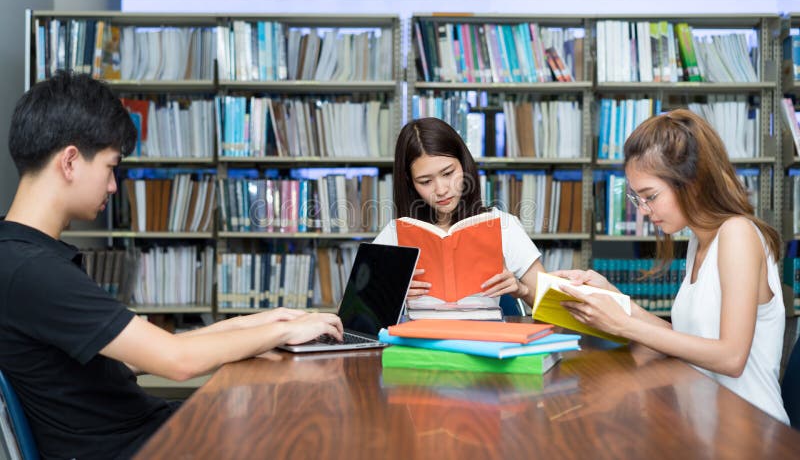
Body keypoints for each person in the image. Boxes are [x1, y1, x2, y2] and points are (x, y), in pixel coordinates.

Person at [0, 71, 343, 459]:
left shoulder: (21, 256)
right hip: (144, 447)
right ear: (70, 162)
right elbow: (178, 363)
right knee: (309, 426)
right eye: (111, 167)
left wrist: (263, 323)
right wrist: (281, 334)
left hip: (148, 432)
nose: (113, 186)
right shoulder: (33, 271)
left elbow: (138, 354)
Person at [552, 109, 789, 424]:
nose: (645, 211)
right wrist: (615, 300)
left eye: (650, 196)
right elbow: (691, 340)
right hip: (710, 421)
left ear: (691, 182)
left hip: (753, 429)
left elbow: (731, 357)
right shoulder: (699, 241)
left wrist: (623, 325)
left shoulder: (738, 234)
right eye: (639, 199)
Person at [373, 117, 544, 307]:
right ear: (410, 183)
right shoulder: (395, 234)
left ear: (464, 164)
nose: (441, 189)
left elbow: (549, 303)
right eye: (425, 181)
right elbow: (354, 312)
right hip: (420, 336)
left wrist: (522, 290)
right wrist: (392, 293)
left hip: (481, 336)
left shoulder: (502, 225)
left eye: (447, 173)